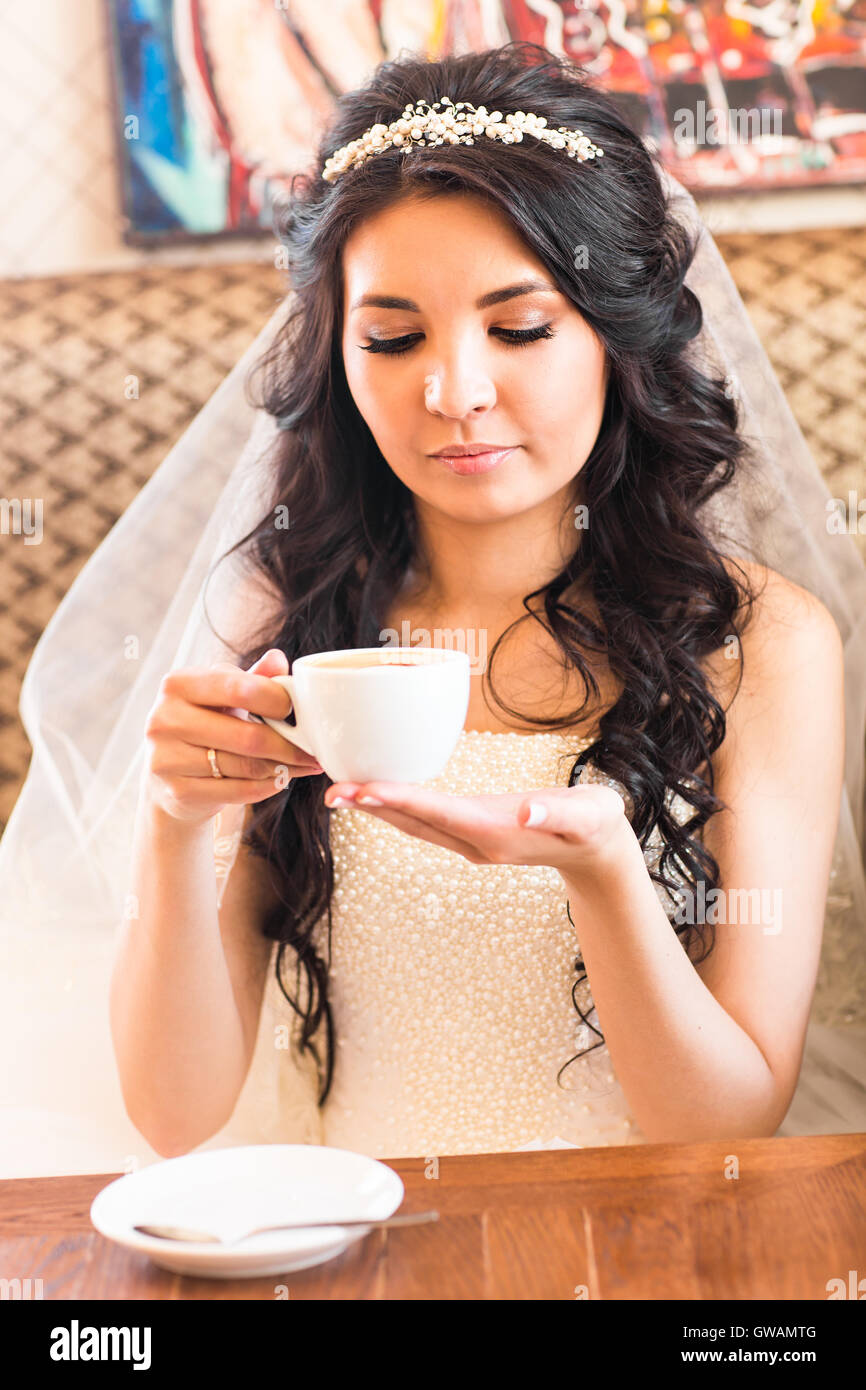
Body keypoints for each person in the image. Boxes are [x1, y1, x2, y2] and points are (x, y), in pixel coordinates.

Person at [2, 41, 865, 1177]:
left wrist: (602, 869)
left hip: (644, 1253)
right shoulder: (281, 610)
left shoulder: (757, 643)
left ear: (614, 333)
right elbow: (173, 1114)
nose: (453, 393)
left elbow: (724, 1122)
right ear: (336, 356)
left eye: (518, 328)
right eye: (392, 337)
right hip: (363, 1245)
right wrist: (173, 827)